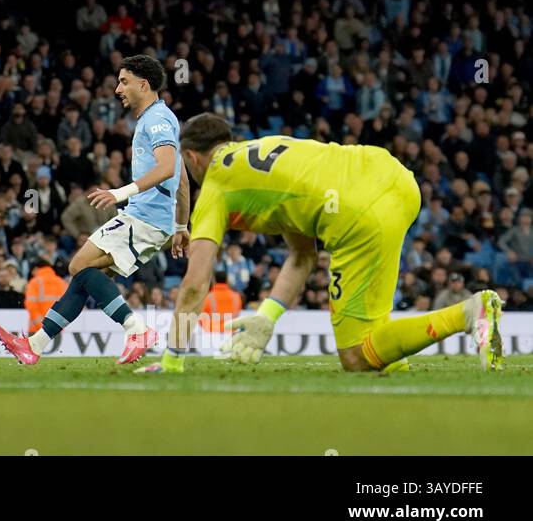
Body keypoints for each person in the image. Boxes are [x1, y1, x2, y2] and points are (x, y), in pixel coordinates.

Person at [165, 113, 503, 374]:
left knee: (355, 356)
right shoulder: (266, 149)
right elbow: (301, 255)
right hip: (394, 177)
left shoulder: (215, 187)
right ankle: (392, 357)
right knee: (374, 328)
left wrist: (172, 358)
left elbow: (196, 284)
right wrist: (267, 316)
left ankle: (468, 314)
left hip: (354, 212)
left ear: (192, 158)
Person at [0, 55, 188, 367]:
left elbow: (167, 168)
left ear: (144, 84)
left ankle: (137, 330)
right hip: (156, 220)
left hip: (144, 217)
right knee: (86, 277)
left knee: (77, 265)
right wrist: (180, 226)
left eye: (124, 81)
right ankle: (35, 344)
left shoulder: (157, 120)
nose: (117, 89)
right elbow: (181, 177)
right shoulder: (160, 118)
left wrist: (119, 192)